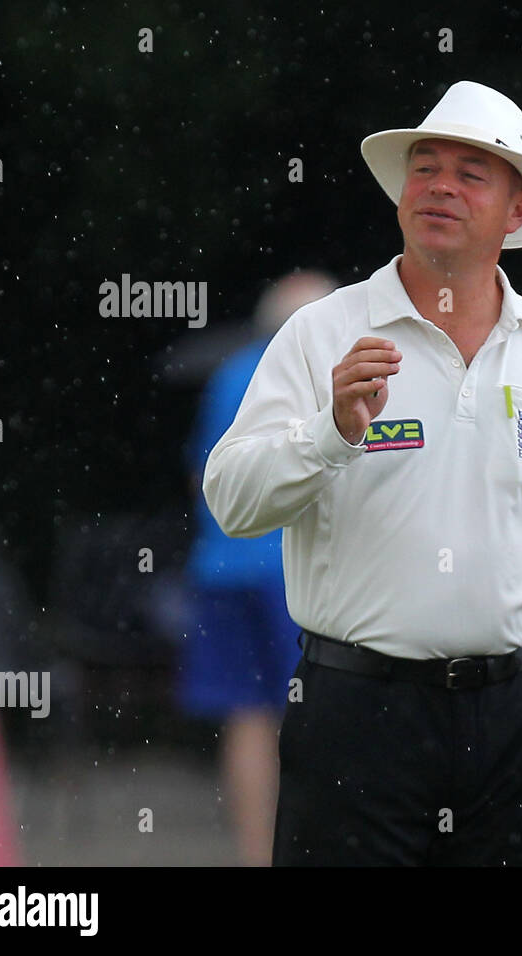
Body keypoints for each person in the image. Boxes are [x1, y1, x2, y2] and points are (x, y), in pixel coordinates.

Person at [202, 81, 522, 866]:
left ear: (518, 209)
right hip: (357, 717)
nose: (439, 186)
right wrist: (329, 431)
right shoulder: (319, 333)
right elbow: (232, 499)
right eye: (424, 166)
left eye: (471, 173)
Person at [181, 270, 337, 866]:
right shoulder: (327, 377)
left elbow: (202, 475)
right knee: (319, 719)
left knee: (247, 720)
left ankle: (257, 858)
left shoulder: (227, 375)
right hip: (294, 577)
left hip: (220, 570)